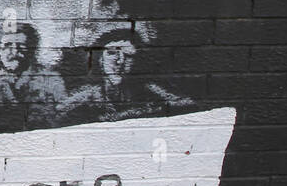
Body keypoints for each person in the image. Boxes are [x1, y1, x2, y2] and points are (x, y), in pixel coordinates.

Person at [59, 28, 195, 125]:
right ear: (100, 60)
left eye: (128, 55)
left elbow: (187, 108)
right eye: (112, 53)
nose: (120, 61)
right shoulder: (81, 104)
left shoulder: (155, 96)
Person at [0, 23, 68, 134]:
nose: (15, 52)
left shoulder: (51, 82)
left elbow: (62, 120)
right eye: (7, 45)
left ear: (32, 51)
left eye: (21, 46)